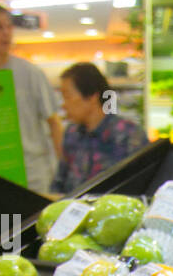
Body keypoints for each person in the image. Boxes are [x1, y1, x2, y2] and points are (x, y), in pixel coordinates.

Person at [0, 2, 60, 194]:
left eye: (9, 26)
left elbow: (54, 122)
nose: (6, 33)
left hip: (32, 174)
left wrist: (61, 168)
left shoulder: (30, 73)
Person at [51, 63, 149, 194]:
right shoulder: (71, 133)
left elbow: (142, 186)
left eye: (67, 96)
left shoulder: (129, 135)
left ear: (92, 96)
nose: (64, 105)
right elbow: (59, 182)